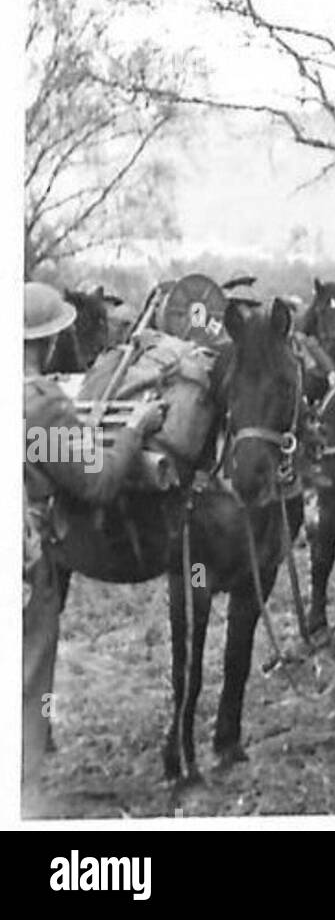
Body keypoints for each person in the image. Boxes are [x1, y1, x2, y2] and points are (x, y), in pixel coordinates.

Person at [23, 282, 164, 798]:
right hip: (24, 552)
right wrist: (137, 429)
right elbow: (99, 483)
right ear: (50, 341)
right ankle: (22, 791)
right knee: (29, 672)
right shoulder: (42, 409)